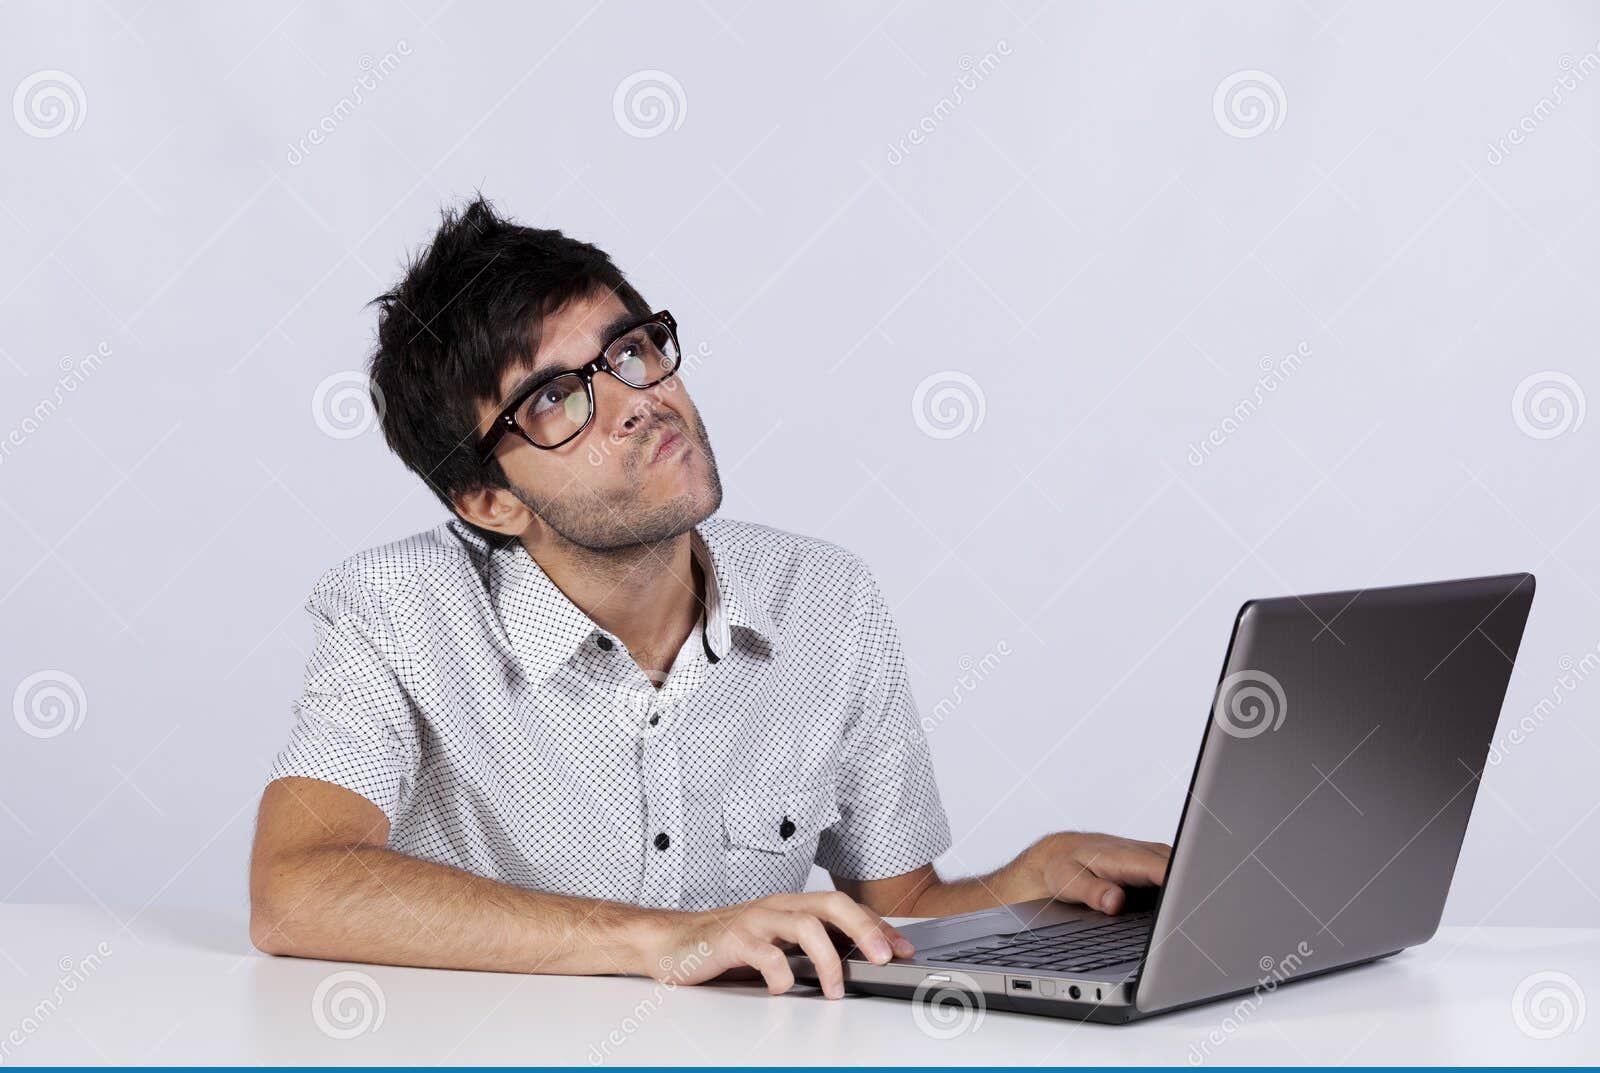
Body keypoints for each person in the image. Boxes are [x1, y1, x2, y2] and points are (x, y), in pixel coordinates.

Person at [249, 196, 1170, 1000]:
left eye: (632, 349)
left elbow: (901, 915)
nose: (636, 401)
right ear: (489, 501)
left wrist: (1030, 880)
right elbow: (295, 888)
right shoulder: (394, 610)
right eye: (555, 401)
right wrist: (653, 938)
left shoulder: (827, 600)